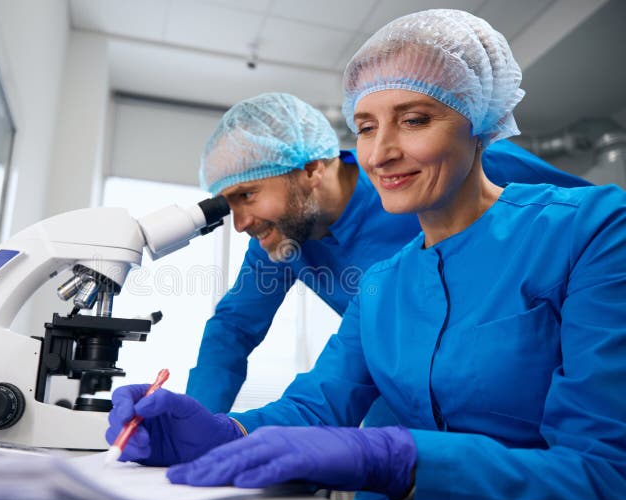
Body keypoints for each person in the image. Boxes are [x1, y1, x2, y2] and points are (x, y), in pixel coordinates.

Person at [107, 9, 626, 500]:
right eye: (365, 127)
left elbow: (605, 478)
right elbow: (298, 388)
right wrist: (215, 429)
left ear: (480, 124)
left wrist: (392, 457)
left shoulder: (582, 229)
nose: (379, 153)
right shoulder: (375, 283)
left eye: (416, 119)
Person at [186, 94, 589, 417]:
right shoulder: (282, 241)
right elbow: (233, 328)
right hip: (398, 394)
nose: (238, 224)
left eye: (247, 196)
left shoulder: (450, 166)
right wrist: (195, 421)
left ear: (311, 171)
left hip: (517, 381)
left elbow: (593, 225)